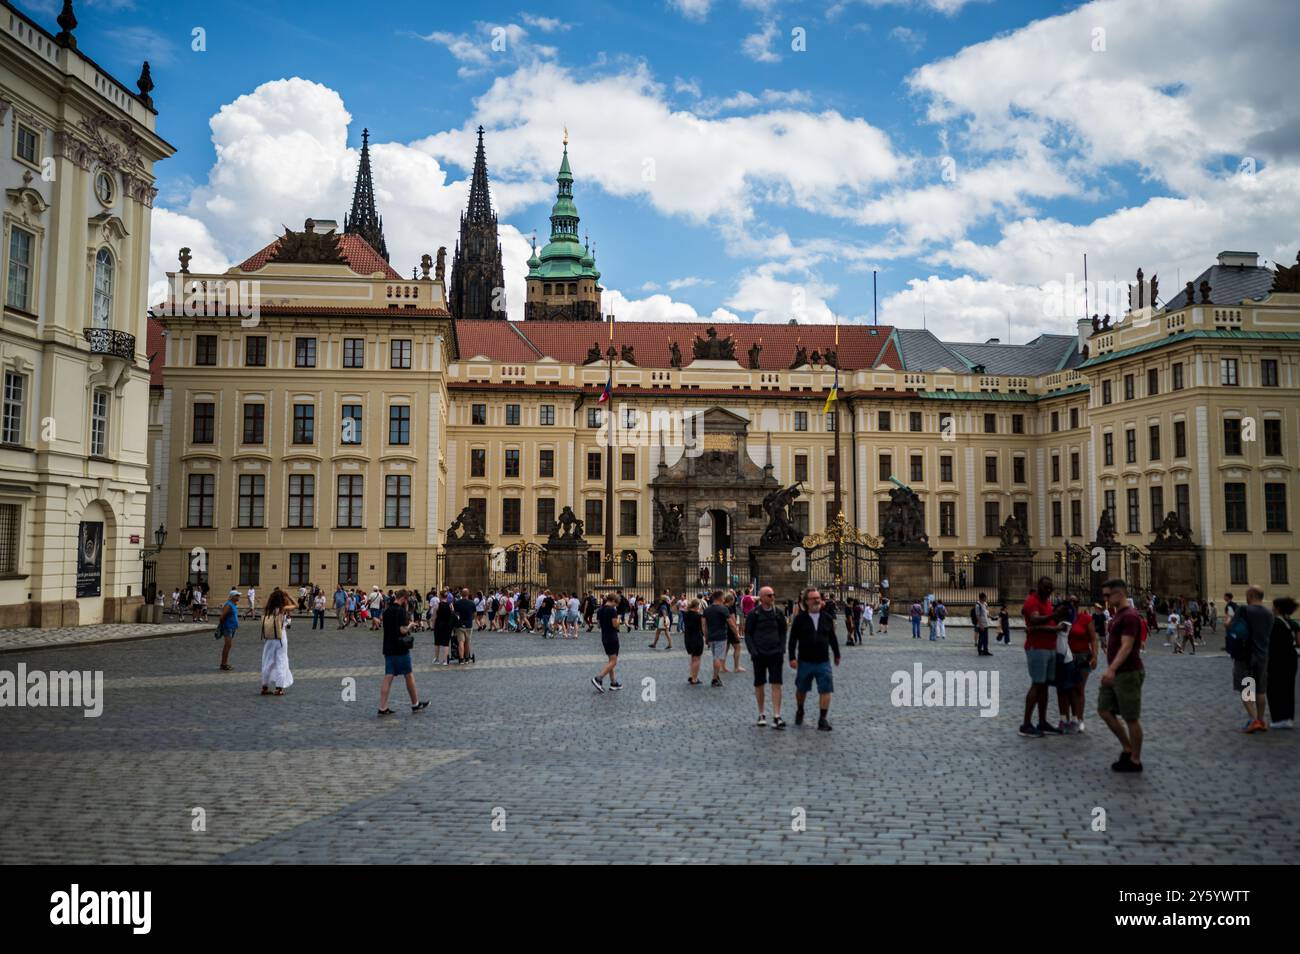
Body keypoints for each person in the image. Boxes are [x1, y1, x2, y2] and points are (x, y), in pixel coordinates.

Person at [1097, 578, 1144, 771]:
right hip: (1116, 673)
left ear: (1120, 593)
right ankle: (1127, 747)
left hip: (1128, 672)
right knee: (1104, 710)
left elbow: (1127, 646)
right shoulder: (1118, 615)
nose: (1105, 599)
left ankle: (1135, 760)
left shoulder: (1130, 616)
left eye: (1108, 595)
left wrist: (1112, 668)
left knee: (1131, 717)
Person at [788, 588, 840, 731]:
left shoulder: (827, 618)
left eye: (818, 598)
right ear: (806, 602)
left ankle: (822, 719)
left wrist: (837, 654)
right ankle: (800, 709)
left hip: (823, 660)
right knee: (801, 689)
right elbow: (792, 640)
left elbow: (832, 638)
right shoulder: (799, 619)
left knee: (826, 689)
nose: (817, 600)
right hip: (805, 661)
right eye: (813, 598)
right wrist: (792, 657)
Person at [1020, 576, 1061, 737]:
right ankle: (1026, 724)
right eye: (1046, 587)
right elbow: (1034, 619)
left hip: (1049, 647)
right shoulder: (1032, 601)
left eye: (1051, 588)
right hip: (1037, 648)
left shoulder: (1047, 602)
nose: (1049, 590)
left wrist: (1056, 623)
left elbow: (1047, 621)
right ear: (1038, 586)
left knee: (1044, 686)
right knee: (1037, 684)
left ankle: (1042, 722)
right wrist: (1053, 619)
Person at [377, 589, 429, 715]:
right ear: (404, 599)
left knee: (388, 676)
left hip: (388, 647)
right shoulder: (400, 611)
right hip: (400, 648)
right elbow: (402, 630)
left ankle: (382, 706)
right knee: (409, 675)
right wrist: (411, 625)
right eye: (407, 600)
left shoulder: (387, 610)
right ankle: (415, 704)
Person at [744, 586, 788, 728]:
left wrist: (782, 648)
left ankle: (777, 715)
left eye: (773, 595)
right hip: (759, 653)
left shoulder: (778, 613)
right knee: (759, 683)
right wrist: (753, 651)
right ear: (761, 598)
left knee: (776, 683)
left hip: (775, 653)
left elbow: (783, 631)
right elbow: (748, 634)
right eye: (769, 595)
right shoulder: (753, 614)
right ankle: (761, 713)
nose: (772, 597)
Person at [1233, 586, 1273, 733]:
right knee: (1261, 690)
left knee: (1246, 688)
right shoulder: (1269, 613)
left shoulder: (1244, 610)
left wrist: (1227, 623)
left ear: (1251, 595)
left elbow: (1234, 628)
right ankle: (1261, 720)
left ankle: (1253, 719)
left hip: (1246, 655)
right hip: (1263, 655)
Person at [1058, 596, 1097, 733]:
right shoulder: (1062, 620)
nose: (1073, 604)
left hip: (1082, 657)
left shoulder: (1085, 619)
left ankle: (1079, 719)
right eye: (1070, 602)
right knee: (1065, 689)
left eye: (1076, 602)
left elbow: (1093, 638)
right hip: (1065, 657)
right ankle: (1066, 720)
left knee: (1079, 688)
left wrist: (1095, 656)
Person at [1267, 596, 1298, 729]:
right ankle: (1289, 718)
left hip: (1276, 658)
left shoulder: (1274, 622)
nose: (1272, 608)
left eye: (1273, 606)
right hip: (1291, 657)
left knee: (1274, 688)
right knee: (1289, 688)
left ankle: (1278, 718)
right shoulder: (1292, 623)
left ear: (1277, 608)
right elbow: (1299, 641)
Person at [259, 588, 294, 696]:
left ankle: (264, 687)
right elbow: (296, 605)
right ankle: (279, 688)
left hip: (269, 637)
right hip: (280, 637)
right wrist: (288, 595)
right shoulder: (282, 609)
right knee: (281, 660)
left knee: (267, 661)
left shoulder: (268, 609)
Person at [591, 594, 623, 693]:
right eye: (616, 603)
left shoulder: (600, 610)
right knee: (614, 661)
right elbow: (615, 625)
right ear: (613, 600)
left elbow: (599, 625)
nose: (616, 605)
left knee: (610, 661)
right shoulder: (612, 610)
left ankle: (613, 683)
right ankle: (598, 678)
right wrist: (619, 621)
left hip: (604, 637)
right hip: (612, 637)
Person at [703, 590, 735, 688]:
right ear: (720, 598)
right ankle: (715, 678)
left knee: (715, 657)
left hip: (711, 637)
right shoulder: (724, 609)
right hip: (721, 637)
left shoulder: (707, 610)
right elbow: (731, 624)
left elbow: (704, 626)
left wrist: (706, 637)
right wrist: (737, 634)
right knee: (718, 658)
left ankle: (717, 677)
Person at [216, 588, 240, 671]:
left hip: (232, 627)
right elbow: (222, 617)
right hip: (228, 627)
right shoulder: (228, 605)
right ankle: (223, 664)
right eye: (237, 595)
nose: (239, 597)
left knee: (228, 646)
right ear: (233, 597)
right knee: (227, 645)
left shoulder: (233, 604)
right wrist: (224, 625)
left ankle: (224, 663)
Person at [683, 598, 705, 685]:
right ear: (697, 606)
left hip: (688, 638)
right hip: (697, 638)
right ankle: (694, 678)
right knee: (697, 659)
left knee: (693, 658)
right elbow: (703, 628)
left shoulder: (686, 614)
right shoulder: (698, 616)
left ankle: (691, 675)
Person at [453, 588, 477, 664]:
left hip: (459, 625)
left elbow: (455, 614)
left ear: (461, 594)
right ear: (468, 594)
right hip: (469, 625)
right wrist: (471, 619)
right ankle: (467, 658)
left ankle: (461, 659)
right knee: (467, 642)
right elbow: (475, 614)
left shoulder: (457, 603)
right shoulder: (472, 603)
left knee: (460, 642)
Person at [725, 591, 746, 673]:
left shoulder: (723, 607)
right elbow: (733, 620)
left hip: (725, 630)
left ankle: (722, 666)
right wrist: (736, 632)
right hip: (731, 630)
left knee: (725, 649)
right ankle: (736, 666)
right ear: (731, 600)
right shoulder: (730, 608)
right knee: (738, 647)